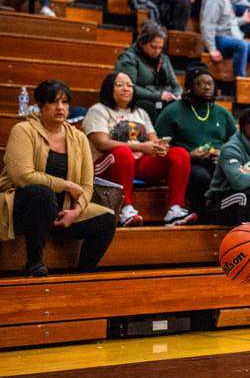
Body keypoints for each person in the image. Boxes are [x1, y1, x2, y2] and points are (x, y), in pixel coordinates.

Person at [0, 80, 116, 276]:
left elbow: (87, 185)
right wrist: (65, 185)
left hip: (62, 211)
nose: (60, 107)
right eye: (53, 102)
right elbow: (21, 176)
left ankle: (84, 275)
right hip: (24, 208)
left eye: (64, 102)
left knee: (107, 219)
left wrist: (77, 211)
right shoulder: (23, 130)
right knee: (42, 194)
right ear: (40, 106)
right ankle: (35, 263)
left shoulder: (79, 137)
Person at [84, 71, 196, 228]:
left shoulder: (140, 113)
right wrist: (140, 147)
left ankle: (175, 209)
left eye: (130, 85)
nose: (126, 89)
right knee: (123, 153)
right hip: (106, 165)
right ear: (109, 88)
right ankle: (125, 209)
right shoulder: (98, 110)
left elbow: (153, 140)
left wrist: (160, 148)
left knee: (179, 154)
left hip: (137, 164)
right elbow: (102, 144)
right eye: (120, 85)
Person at [155, 64, 237, 219]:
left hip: (217, 161)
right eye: (200, 83)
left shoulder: (222, 112)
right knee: (201, 177)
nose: (206, 87)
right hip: (188, 162)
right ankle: (203, 218)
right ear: (189, 87)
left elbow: (235, 142)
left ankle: (227, 217)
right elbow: (159, 145)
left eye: (209, 83)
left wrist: (222, 153)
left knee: (231, 175)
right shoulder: (173, 111)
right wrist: (188, 155)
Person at [115, 20, 182, 123]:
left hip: (164, 97)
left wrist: (177, 95)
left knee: (179, 106)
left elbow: (175, 85)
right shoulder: (129, 57)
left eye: (160, 48)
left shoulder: (163, 58)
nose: (157, 52)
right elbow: (129, 87)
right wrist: (158, 95)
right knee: (148, 106)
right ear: (142, 43)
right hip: (142, 99)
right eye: (153, 47)